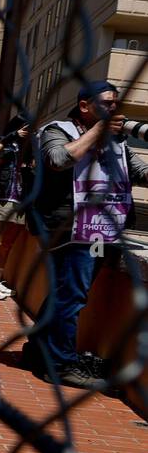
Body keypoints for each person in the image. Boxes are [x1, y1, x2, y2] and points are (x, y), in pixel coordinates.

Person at [26, 81, 148, 388]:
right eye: (107, 104)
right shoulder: (58, 130)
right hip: (66, 229)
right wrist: (98, 132)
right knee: (72, 295)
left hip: (99, 230)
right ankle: (60, 364)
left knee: (65, 294)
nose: (114, 111)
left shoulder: (117, 143)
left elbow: (142, 173)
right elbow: (58, 160)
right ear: (84, 106)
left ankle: (38, 352)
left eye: (115, 105)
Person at [0, 117, 33, 300]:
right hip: (2, 197)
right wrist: (12, 136)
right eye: (24, 128)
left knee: (7, 244)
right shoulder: (3, 142)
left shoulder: (28, 147)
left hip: (21, 201)